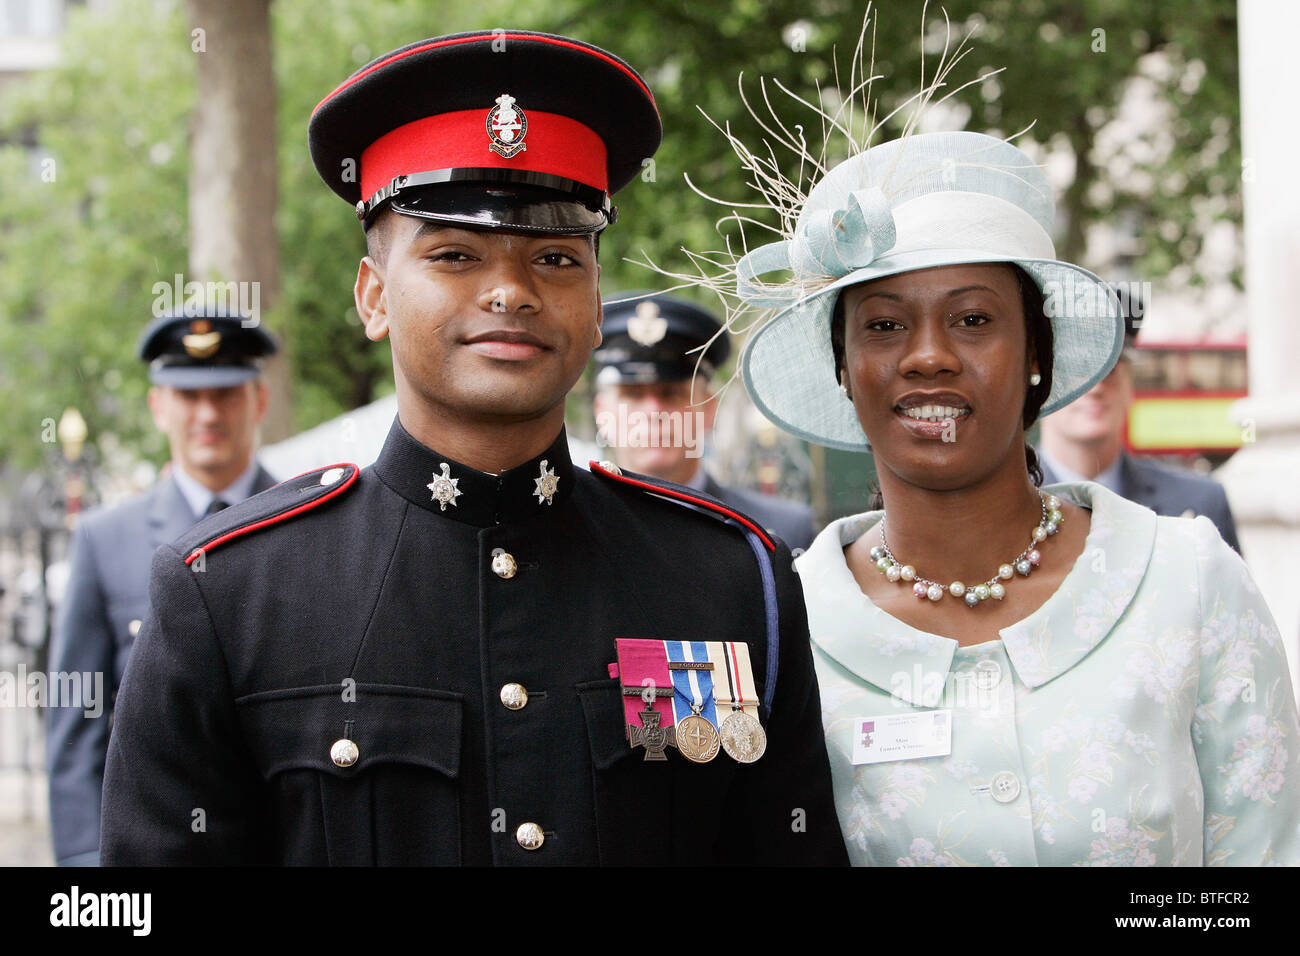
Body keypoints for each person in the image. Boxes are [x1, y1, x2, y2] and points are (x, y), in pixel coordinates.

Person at [99, 30, 846, 866]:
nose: (511, 292)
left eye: (557, 258)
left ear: (597, 305)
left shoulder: (727, 578)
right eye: (454, 254)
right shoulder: (229, 593)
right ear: (374, 296)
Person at [687, 117, 1300, 865]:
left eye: (973, 319)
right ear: (843, 369)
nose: (929, 357)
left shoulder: (1189, 583)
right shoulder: (780, 628)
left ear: (1037, 352)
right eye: (883, 325)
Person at [46, 308, 278, 866]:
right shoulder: (105, 541)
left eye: (225, 394)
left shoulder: (316, 524)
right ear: (158, 407)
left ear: (259, 401)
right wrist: (86, 866)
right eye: (187, 395)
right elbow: (77, 721)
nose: (207, 413)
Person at [593, 291, 815, 549]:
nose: (653, 412)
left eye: (671, 393)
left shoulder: (782, 533)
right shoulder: (568, 527)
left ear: (709, 409)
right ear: (601, 412)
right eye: (632, 394)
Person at [1037, 294, 1241, 553]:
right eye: (1077, 368)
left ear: (1129, 382)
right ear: (1039, 380)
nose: (1096, 386)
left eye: (1109, 367)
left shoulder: (1201, 503)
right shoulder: (995, 505)